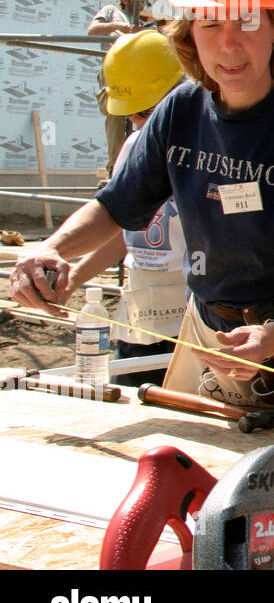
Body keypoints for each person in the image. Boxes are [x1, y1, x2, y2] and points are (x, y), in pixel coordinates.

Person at [11, 0, 274, 415]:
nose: (228, 44)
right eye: (210, 23)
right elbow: (117, 207)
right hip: (210, 328)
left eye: (246, 21)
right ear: (188, 33)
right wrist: (51, 250)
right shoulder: (180, 111)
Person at [66, 31, 188, 386]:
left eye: (145, 112)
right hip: (138, 317)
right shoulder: (134, 147)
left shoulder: (203, 153)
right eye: (133, 116)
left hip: (190, 321)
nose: (138, 123)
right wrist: (75, 276)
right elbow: (122, 229)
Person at [89, 0, 151, 174]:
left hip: (138, 73)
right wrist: (120, 27)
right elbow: (93, 30)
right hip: (115, 69)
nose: (142, 1)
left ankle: (140, 166)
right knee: (116, 117)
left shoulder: (145, 20)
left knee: (144, 118)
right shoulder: (111, 12)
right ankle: (115, 168)